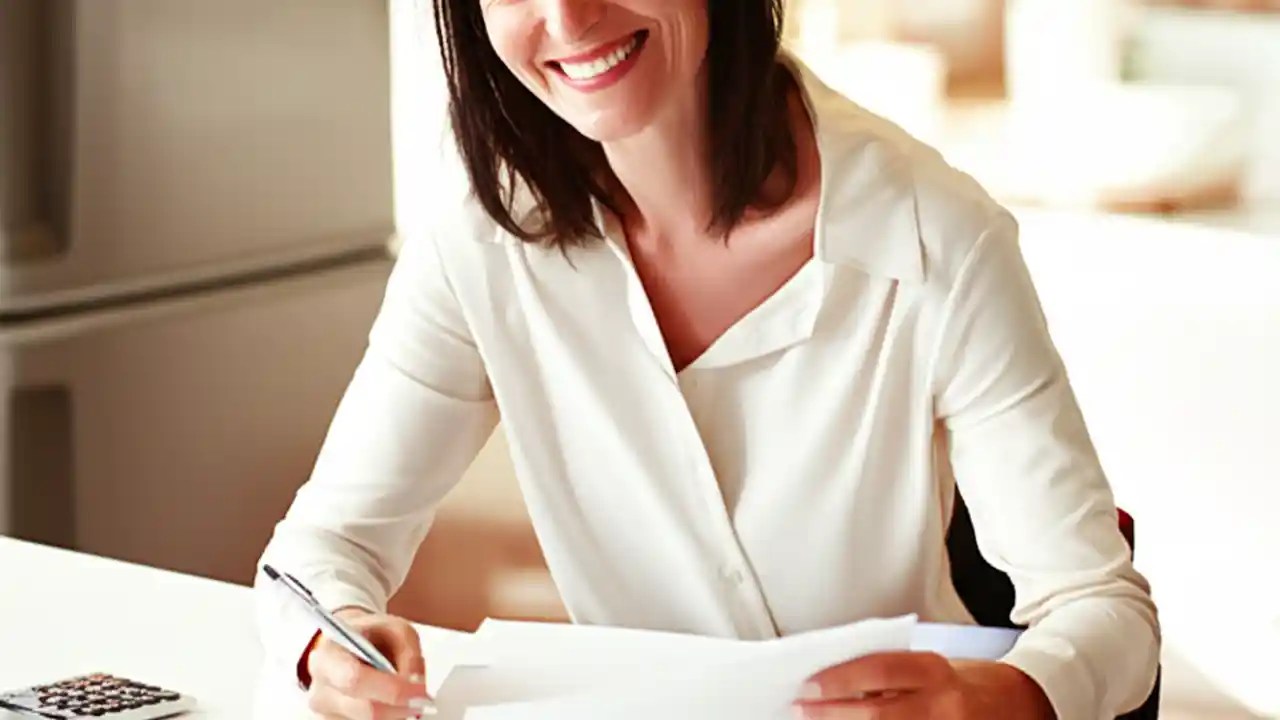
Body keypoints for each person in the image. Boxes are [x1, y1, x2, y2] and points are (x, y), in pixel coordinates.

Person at [254, 1, 1161, 718]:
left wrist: (1000, 696)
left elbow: (1104, 610)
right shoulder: (480, 246)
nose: (568, 18)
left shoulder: (934, 234)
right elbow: (318, 553)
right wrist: (332, 644)